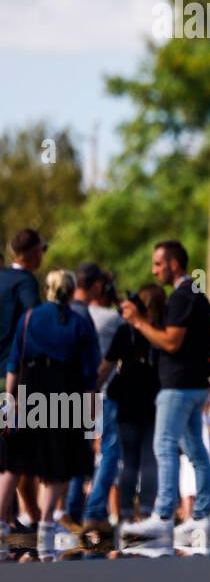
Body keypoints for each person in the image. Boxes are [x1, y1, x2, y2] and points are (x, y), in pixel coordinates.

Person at [119, 240, 210, 549]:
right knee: (195, 450)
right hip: (197, 384)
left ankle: (162, 517)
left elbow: (171, 342)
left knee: (164, 446)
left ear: (174, 264)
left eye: (158, 264)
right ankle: (200, 516)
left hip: (178, 386)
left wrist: (137, 321)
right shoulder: (198, 296)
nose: (154, 269)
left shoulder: (182, 296)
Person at [4, 269, 100, 556]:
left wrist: (8, 408)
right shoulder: (79, 323)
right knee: (56, 463)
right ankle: (46, 527)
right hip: (65, 392)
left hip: (31, 389)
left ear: (47, 289)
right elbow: (89, 374)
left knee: (14, 460)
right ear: (71, 292)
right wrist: (91, 418)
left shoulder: (30, 318)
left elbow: (13, 365)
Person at [103, 285, 164, 525]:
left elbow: (106, 364)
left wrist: (90, 388)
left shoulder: (125, 331)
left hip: (127, 401)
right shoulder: (161, 331)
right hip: (153, 399)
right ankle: (147, 510)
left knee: (128, 461)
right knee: (149, 459)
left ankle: (126, 513)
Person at [76, 263, 126, 536]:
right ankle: (95, 510)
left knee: (79, 452)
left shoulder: (74, 314)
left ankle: (72, 508)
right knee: (110, 452)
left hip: (77, 392)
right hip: (105, 393)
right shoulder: (111, 319)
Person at [0, 228, 44, 540]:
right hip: (13, 375)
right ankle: (2, 518)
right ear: (32, 254)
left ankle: (10, 518)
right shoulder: (25, 282)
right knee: (13, 451)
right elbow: (32, 321)